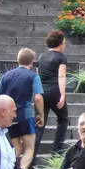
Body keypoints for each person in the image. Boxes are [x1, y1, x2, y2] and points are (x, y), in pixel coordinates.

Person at [0, 48, 44, 169]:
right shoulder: (34, 76)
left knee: (16, 148)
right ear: (32, 61)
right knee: (29, 149)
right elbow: (38, 97)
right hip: (25, 115)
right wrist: (41, 114)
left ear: (18, 60)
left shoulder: (6, 76)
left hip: (8, 117)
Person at [34, 30, 69, 161]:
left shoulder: (41, 57)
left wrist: (37, 93)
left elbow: (37, 76)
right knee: (63, 120)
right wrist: (62, 95)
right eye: (64, 43)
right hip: (55, 91)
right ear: (60, 43)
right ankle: (56, 153)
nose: (64, 45)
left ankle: (31, 161)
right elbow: (61, 75)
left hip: (41, 92)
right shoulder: (61, 57)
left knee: (39, 124)